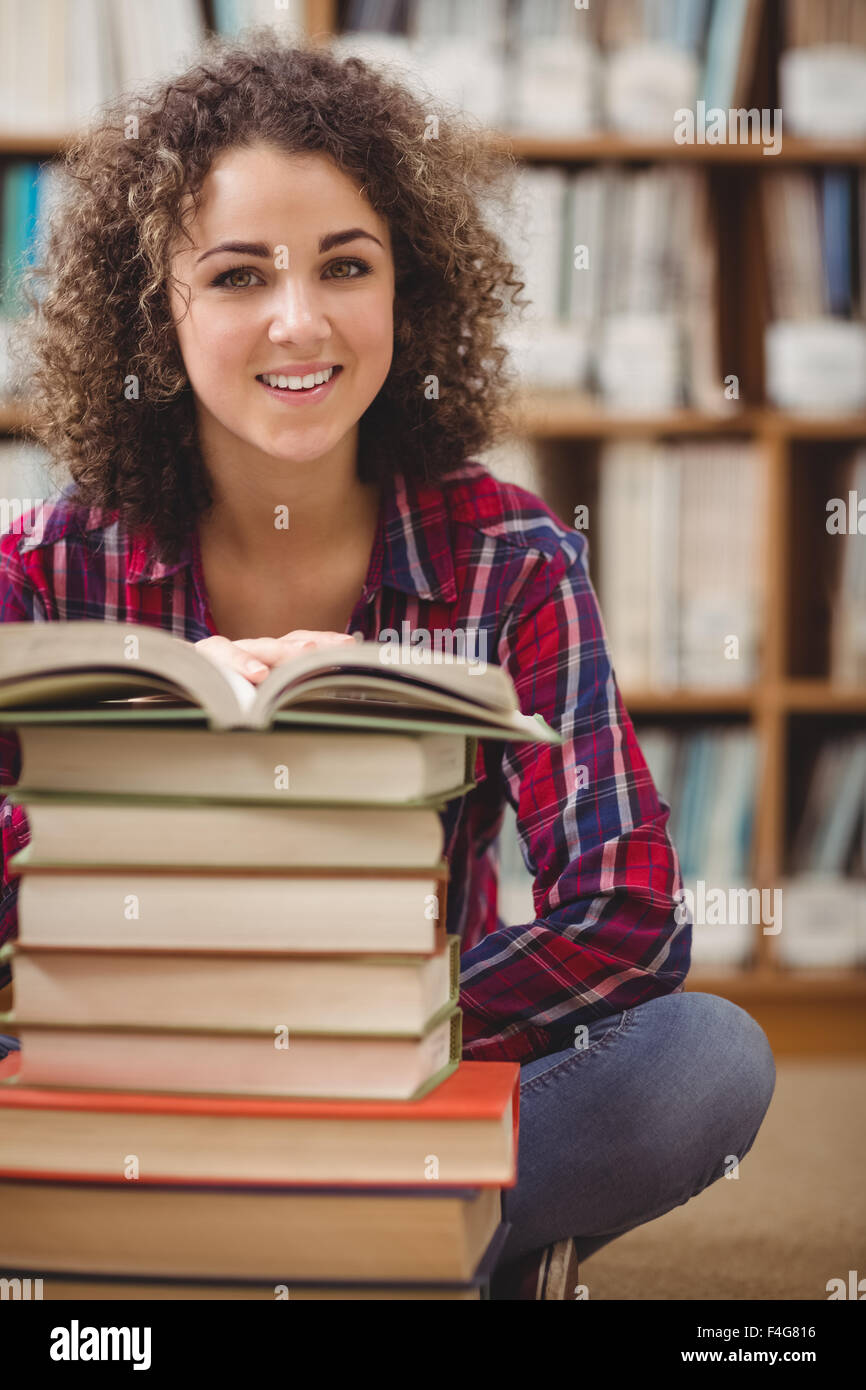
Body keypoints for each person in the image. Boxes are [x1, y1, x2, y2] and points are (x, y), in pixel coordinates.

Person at [0, 32, 775, 1299]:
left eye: (343, 266)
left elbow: (627, 918)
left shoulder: (511, 554)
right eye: (239, 274)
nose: (298, 320)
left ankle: (243, 1252)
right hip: (133, 1068)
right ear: (163, 306)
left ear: (405, 292)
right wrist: (147, 765)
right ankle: (411, 1253)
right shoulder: (42, 568)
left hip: (408, 1064)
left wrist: (375, 1015)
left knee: (705, 1058)